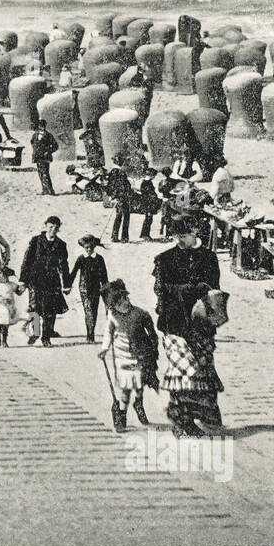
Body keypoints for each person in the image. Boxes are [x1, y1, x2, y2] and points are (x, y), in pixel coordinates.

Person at [153, 216, 223, 437]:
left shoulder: (209, 258)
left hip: (200, 324)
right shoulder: (164, 259)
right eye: (177, 236)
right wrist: (189, 289)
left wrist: (200, 291)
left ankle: (200, 416)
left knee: (201, 371)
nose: (180, 240)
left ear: (195, 233)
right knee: (182, 373)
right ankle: (182, 421)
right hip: (175, 325)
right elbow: (161, 290)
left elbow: (214, 289)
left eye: (185, 235)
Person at [97, 279, 158, 432]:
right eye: (119, 301)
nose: (124, 302)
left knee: (138, 384)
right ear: (114, 305)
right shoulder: (112, 317)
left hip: (138, 356)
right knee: (125, 388)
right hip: (121, 357)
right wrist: (104, 348)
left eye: (125, 298)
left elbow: (152, 334)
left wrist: (152, 350)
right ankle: (122, 415)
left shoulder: (140, 314)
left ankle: (138, 403)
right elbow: (108, 333)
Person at [19, 216, 71, 347]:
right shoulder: (36, 241)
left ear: (59, 228)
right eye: (50, 227)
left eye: (56, 227)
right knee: (34, 308)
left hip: (52, 282)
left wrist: (66, 284)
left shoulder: (61, 245)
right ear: (45, 226)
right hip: (35, 280)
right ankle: (35, 333)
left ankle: (46, 338)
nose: (53, 230)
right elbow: (27, 261)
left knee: (50, 311)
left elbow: (64, 265)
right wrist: (23, 281)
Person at [68, 234, 108, 343]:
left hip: (96, 288)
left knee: (94, 311)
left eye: (91, 247)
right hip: (84, 288)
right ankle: (90, 335)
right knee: (88, 310)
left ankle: (91, 333)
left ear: (94, 246)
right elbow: (73, 273)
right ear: (83, 247)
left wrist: (106, 289)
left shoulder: (99, 259)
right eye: (87, 247)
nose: (89, 249)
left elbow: (104, 276)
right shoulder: (81, 258)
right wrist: (68, 285)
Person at [0, 266, 26, 347]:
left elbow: (19, 292)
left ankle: (4, 341)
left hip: (7, 308)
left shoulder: (11, 285)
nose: (2, 278)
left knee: (5, 325)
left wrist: (23, 287)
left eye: (4, 276)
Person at [29, 120, 58, 195]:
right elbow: (32, 142)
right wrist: (35, 150)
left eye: (43, 126)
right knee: (40, 173)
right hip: (37, 157)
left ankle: (51, 190)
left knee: (45, 173)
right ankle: (44, 190)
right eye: (40, 126)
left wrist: (48, 151)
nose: (41, 127)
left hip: (45, 157)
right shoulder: (35, 135)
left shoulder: (48, 135)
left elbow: (55, 146)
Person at [106, 167, 132, 243]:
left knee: (118, 218)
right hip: (124, 201)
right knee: (125, 218)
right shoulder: (124, 181)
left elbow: (111, 191)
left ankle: (114, 237)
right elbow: (127, 191)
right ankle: (124, 238)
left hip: (120, 201)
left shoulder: (115, 181)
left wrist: (114, 197)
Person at [135, 167, 159, 241]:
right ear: (151, 175)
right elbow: (149, 194)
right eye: (154, 175)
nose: (154, 177)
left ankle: (144, 234)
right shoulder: (147, 183)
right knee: (148, 219)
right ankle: (145, 235)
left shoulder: (145, 182)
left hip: (147, 202)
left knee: (148, 219)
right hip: (148, 203)